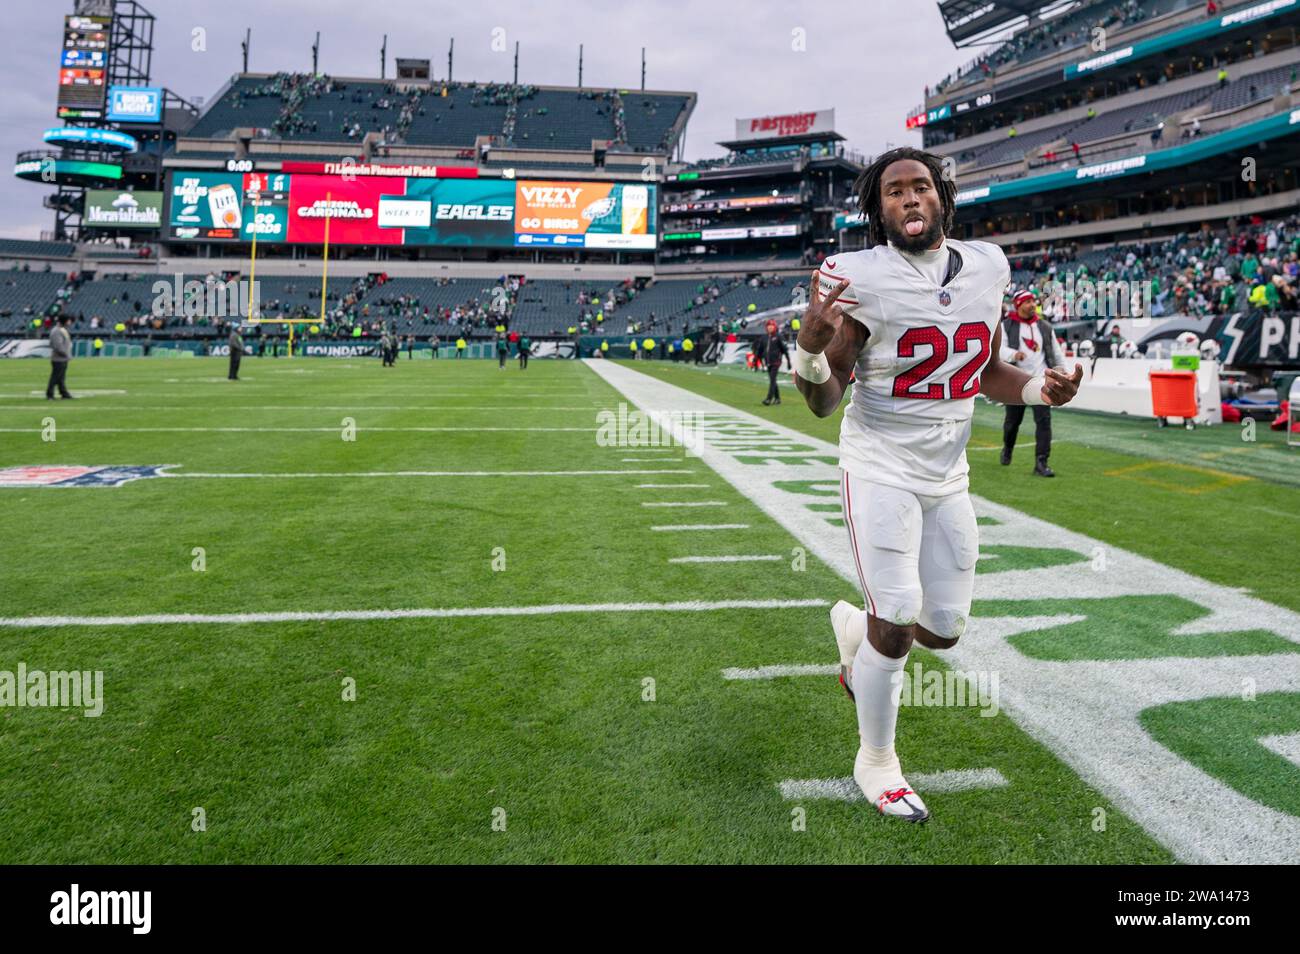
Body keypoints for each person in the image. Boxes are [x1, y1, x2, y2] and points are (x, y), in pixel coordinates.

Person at [791, 146, 1082, 822]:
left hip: (948, 473)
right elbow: (824, 400)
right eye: (893, 192)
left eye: (920, 186)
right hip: (880, 465)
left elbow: (980, 372)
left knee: (942, 630)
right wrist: (808, 349)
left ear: (942, 198)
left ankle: (855, 644)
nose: (909, 199)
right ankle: (879, 763)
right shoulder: (860, 278)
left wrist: (1044, 387)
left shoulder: (988, 266)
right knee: (895, 616)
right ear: (878, 210)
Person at [1000, 289, 1063, 476]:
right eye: (1027, 302)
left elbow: (1056, 352)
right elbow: (998, 349)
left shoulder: (1044, 326)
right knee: (1012, 423)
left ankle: (1041, 462)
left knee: (1044, 422)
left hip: (1040, 382)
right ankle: (1008, 448)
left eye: (1033, 301)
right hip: (1015, 382)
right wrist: (1012, 354)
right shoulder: (1007, 325)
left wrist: (1063, 372)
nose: (1031, 305)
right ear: (1018, 305)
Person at [760, 320, 790, 406]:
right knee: (773, 380)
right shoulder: (764, 337)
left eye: (772, 325)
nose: (770, 327)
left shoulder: (778, 336)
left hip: (776, 362)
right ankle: (777, 399)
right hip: (768, 362)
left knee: (772, 380)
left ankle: (769, 399)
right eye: (768, 326)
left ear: (775, 327)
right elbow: (760, 350)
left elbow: (784, 349)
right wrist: (756, 360)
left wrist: (788, 361)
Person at [46, 315, 73, 400]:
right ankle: (50, 394)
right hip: (58, 358)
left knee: (61, 377)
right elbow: (57, 346)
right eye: (68, 320)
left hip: (63, 358)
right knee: (55, 377)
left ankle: (64, 393)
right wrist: (66, 354)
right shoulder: (56, 331)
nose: (70, 322)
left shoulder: (62, 330)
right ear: (64, 321)